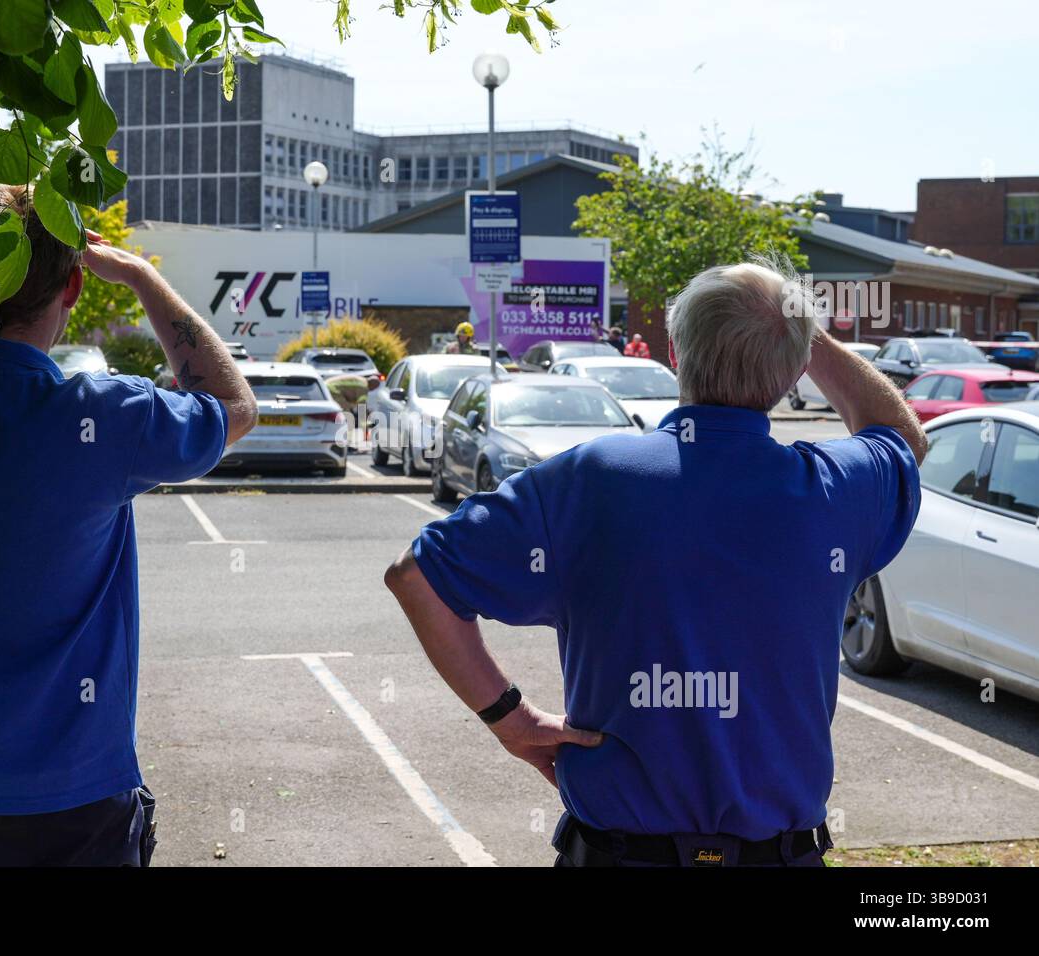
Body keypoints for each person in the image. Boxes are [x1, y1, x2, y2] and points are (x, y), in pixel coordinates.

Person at [385, 258, 926, 867]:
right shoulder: (835, 490)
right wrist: (797, 331)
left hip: (616, 853)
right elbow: (902, 435)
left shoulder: (592, 480)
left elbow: (416, 576)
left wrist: (509, 719)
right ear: (799, 366)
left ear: (673, 351)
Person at [0, 184, 257, 866]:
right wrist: (143, 276)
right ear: (72, 290)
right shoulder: (107, 415)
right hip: (74, 810)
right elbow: (233, 405)